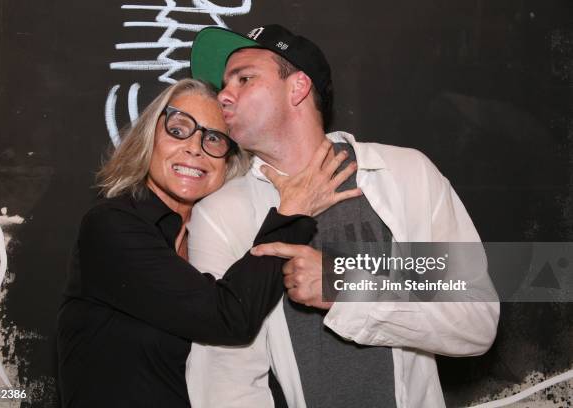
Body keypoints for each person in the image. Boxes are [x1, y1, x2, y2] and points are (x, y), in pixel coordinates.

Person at [186, 25, 500, 407]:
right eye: (223, 85)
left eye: (244, 79)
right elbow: (224, 378)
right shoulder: (222, 213)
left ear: (298, 87)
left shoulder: (405, 175)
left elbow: (475, 319)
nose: (224, 95)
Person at [56, 78, 361, 407]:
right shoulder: (110, 226)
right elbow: (226, 316)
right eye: (178, 128)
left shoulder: (397, 171)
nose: (195, 147)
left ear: (299, 86)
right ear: (149, 136)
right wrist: (293, 214)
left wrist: (341, 277)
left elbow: (422, 279)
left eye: (214, 138)